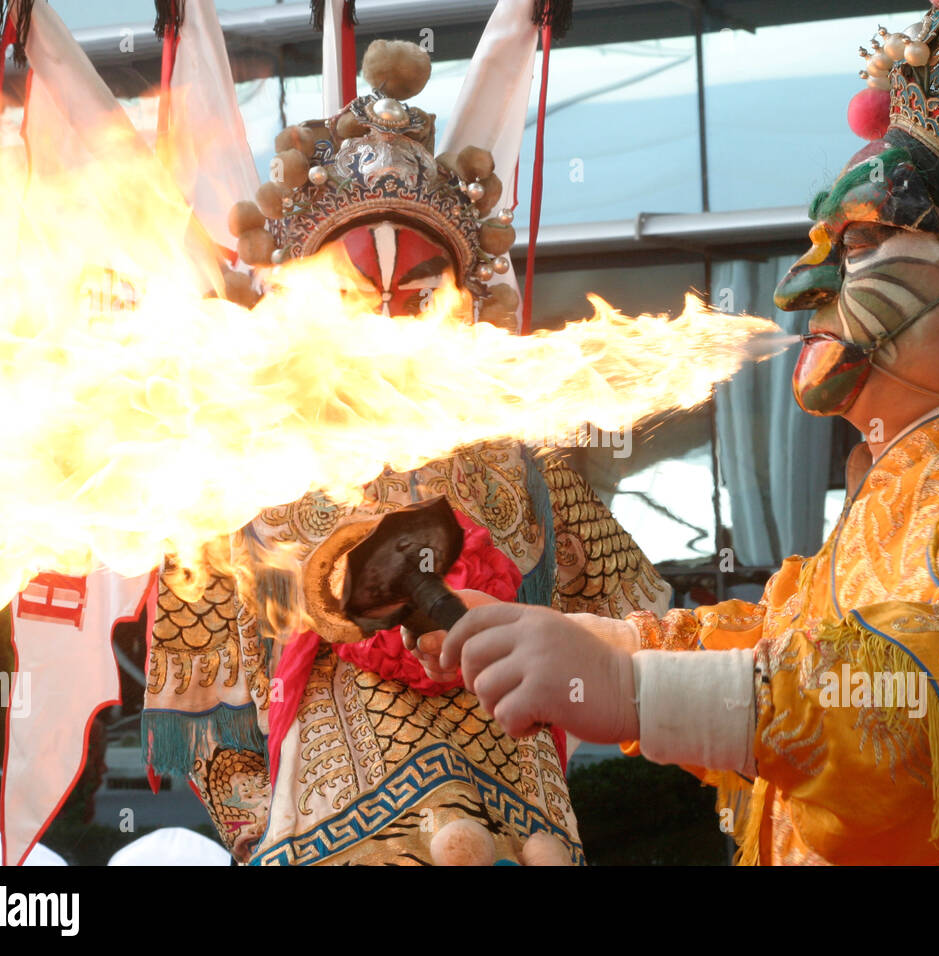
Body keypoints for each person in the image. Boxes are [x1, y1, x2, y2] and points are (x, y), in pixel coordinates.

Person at [420, 0, 939, 865]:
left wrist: (630, 688)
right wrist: (586, 648)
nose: (802, 286)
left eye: (863, 240)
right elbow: (772, 645)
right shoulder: (924, 472)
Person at [142, 39, 668, 866]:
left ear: (461, 301)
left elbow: (644, 626)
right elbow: (201, 676)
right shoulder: (249, 460)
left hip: (520, 814)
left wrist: (558, 653)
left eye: (417, 293)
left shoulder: (518, 456)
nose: (389, 319)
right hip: (333, 823)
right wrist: (259, 831)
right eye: (357, 295)